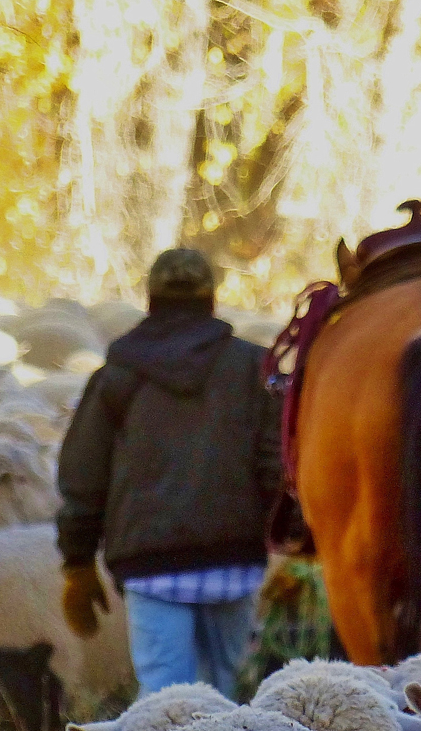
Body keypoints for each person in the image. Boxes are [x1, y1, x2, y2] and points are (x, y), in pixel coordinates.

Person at [56, 248, 281, 699]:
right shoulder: (254, 369)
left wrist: (78, 561)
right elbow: (277, 464)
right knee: (232, 692)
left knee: (164, 698)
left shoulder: (118, 375)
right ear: (211, 299)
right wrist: (291, 542)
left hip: (149, 562)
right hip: (234, 558)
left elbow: (84, 473)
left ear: (151, 299)